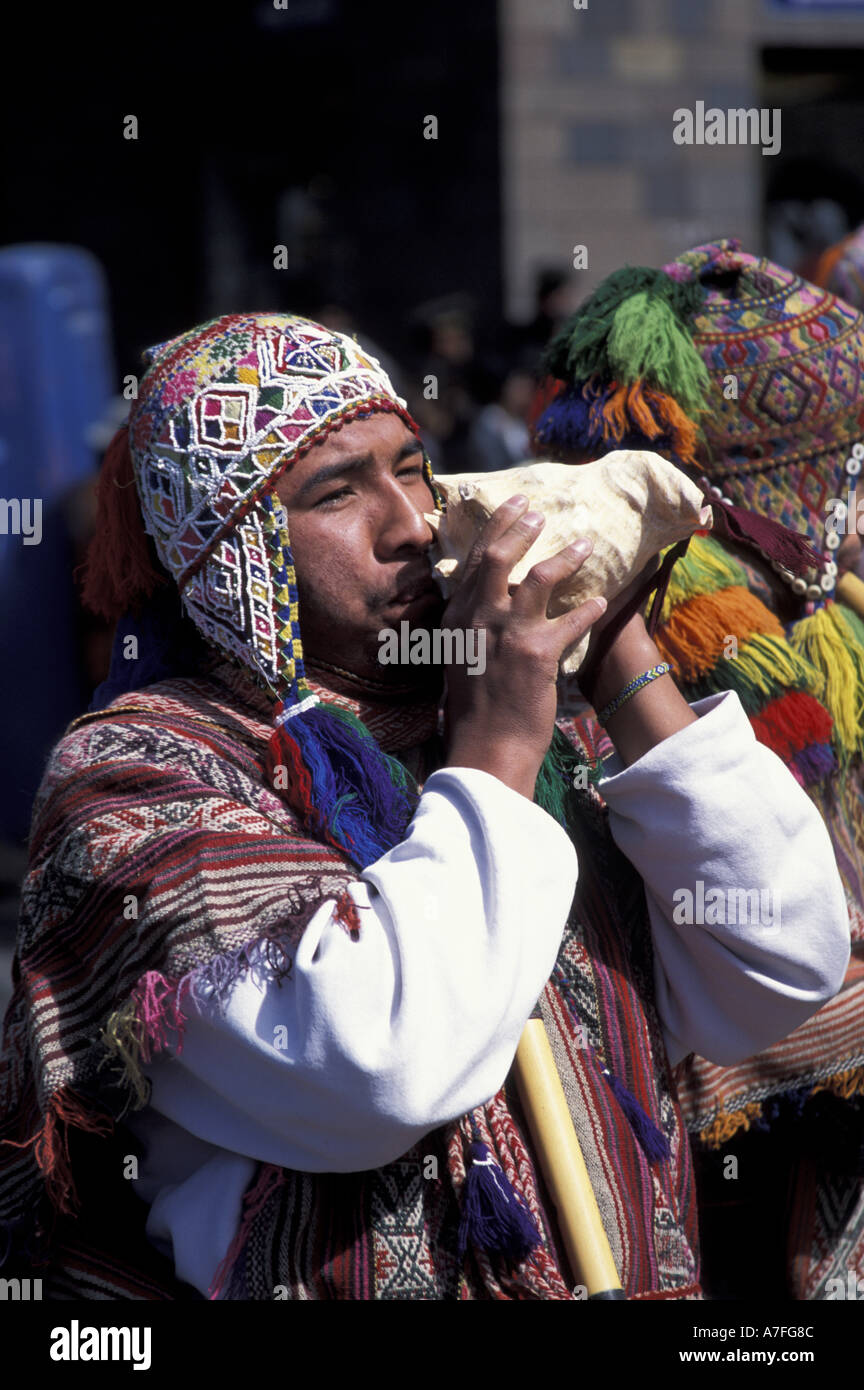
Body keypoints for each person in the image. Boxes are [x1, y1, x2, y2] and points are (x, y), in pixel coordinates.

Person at [0, 312, 849, 1301]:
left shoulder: (518, 722)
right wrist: (492, 754)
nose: (409, 522)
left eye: (411, 467)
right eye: (337, 491)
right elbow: (383, 1065)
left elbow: (782, 967)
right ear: (234, 555)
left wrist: (621, 649)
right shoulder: (142, 771)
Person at [533, 238, 864, 1299]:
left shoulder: (800, 608)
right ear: (791, 461)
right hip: (732, 1155)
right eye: (850, 459)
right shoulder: (703, 613)